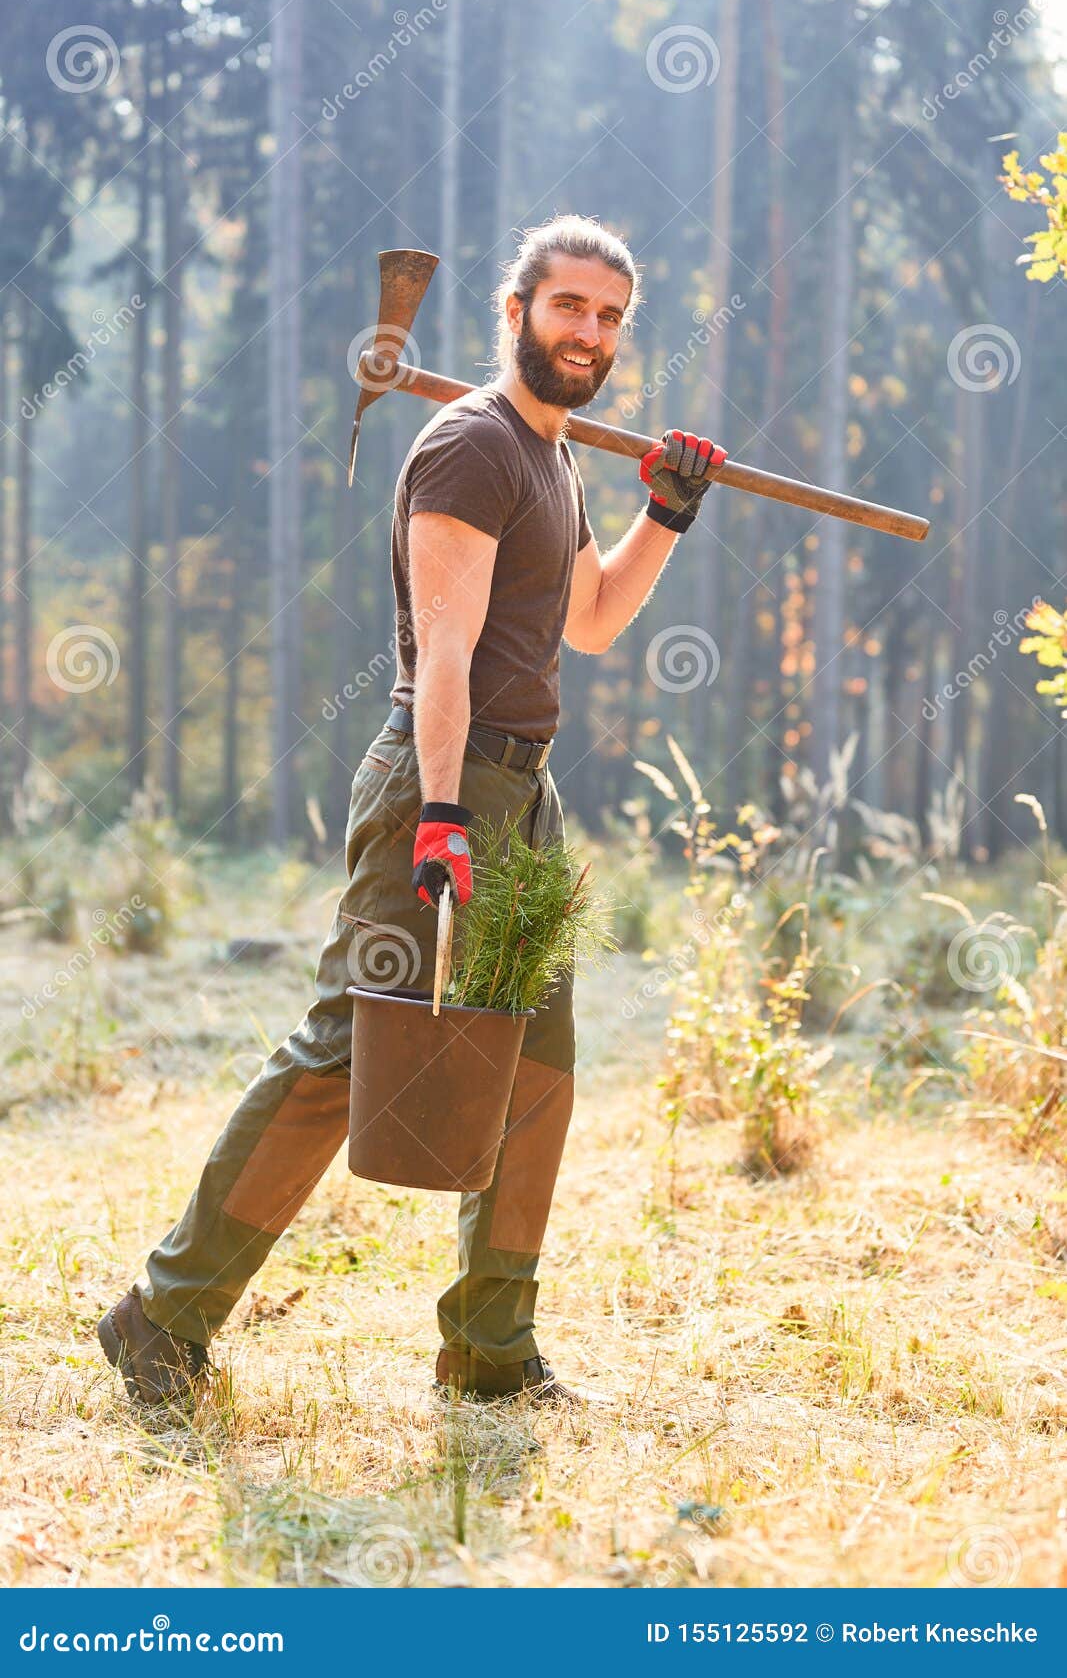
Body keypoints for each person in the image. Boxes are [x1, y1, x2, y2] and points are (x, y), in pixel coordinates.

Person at [98, 213, 725, 1408]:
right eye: (565, 308)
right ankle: (164, 1315)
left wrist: (667, 514)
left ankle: (489, 1350)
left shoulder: (555, 457)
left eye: (606, 315)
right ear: (515, 312)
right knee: (351, 1050)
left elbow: (587, 620)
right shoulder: (470, 448)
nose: (586, 332)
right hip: (440, 784)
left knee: (535, 1067)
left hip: (524, 789)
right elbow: (443, 652)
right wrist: (441, 814)